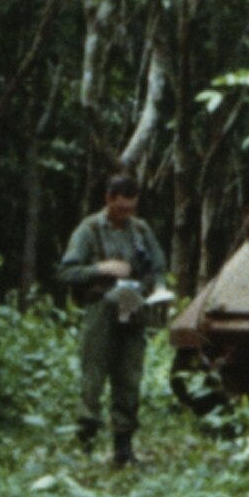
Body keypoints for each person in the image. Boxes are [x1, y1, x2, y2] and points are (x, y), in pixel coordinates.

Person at [60, 170, 168, 467]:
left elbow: (158, 265)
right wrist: (101, 269)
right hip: (100, 310)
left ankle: (123, 448)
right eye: (121, 206)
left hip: (132, 307)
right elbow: (67, 272)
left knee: (129, 377)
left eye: (131, 207)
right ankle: (86, 446)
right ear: (108, 199)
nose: (126, 213)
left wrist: (158, 286)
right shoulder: (89, 230)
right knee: (93, 378)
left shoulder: (141, 230)